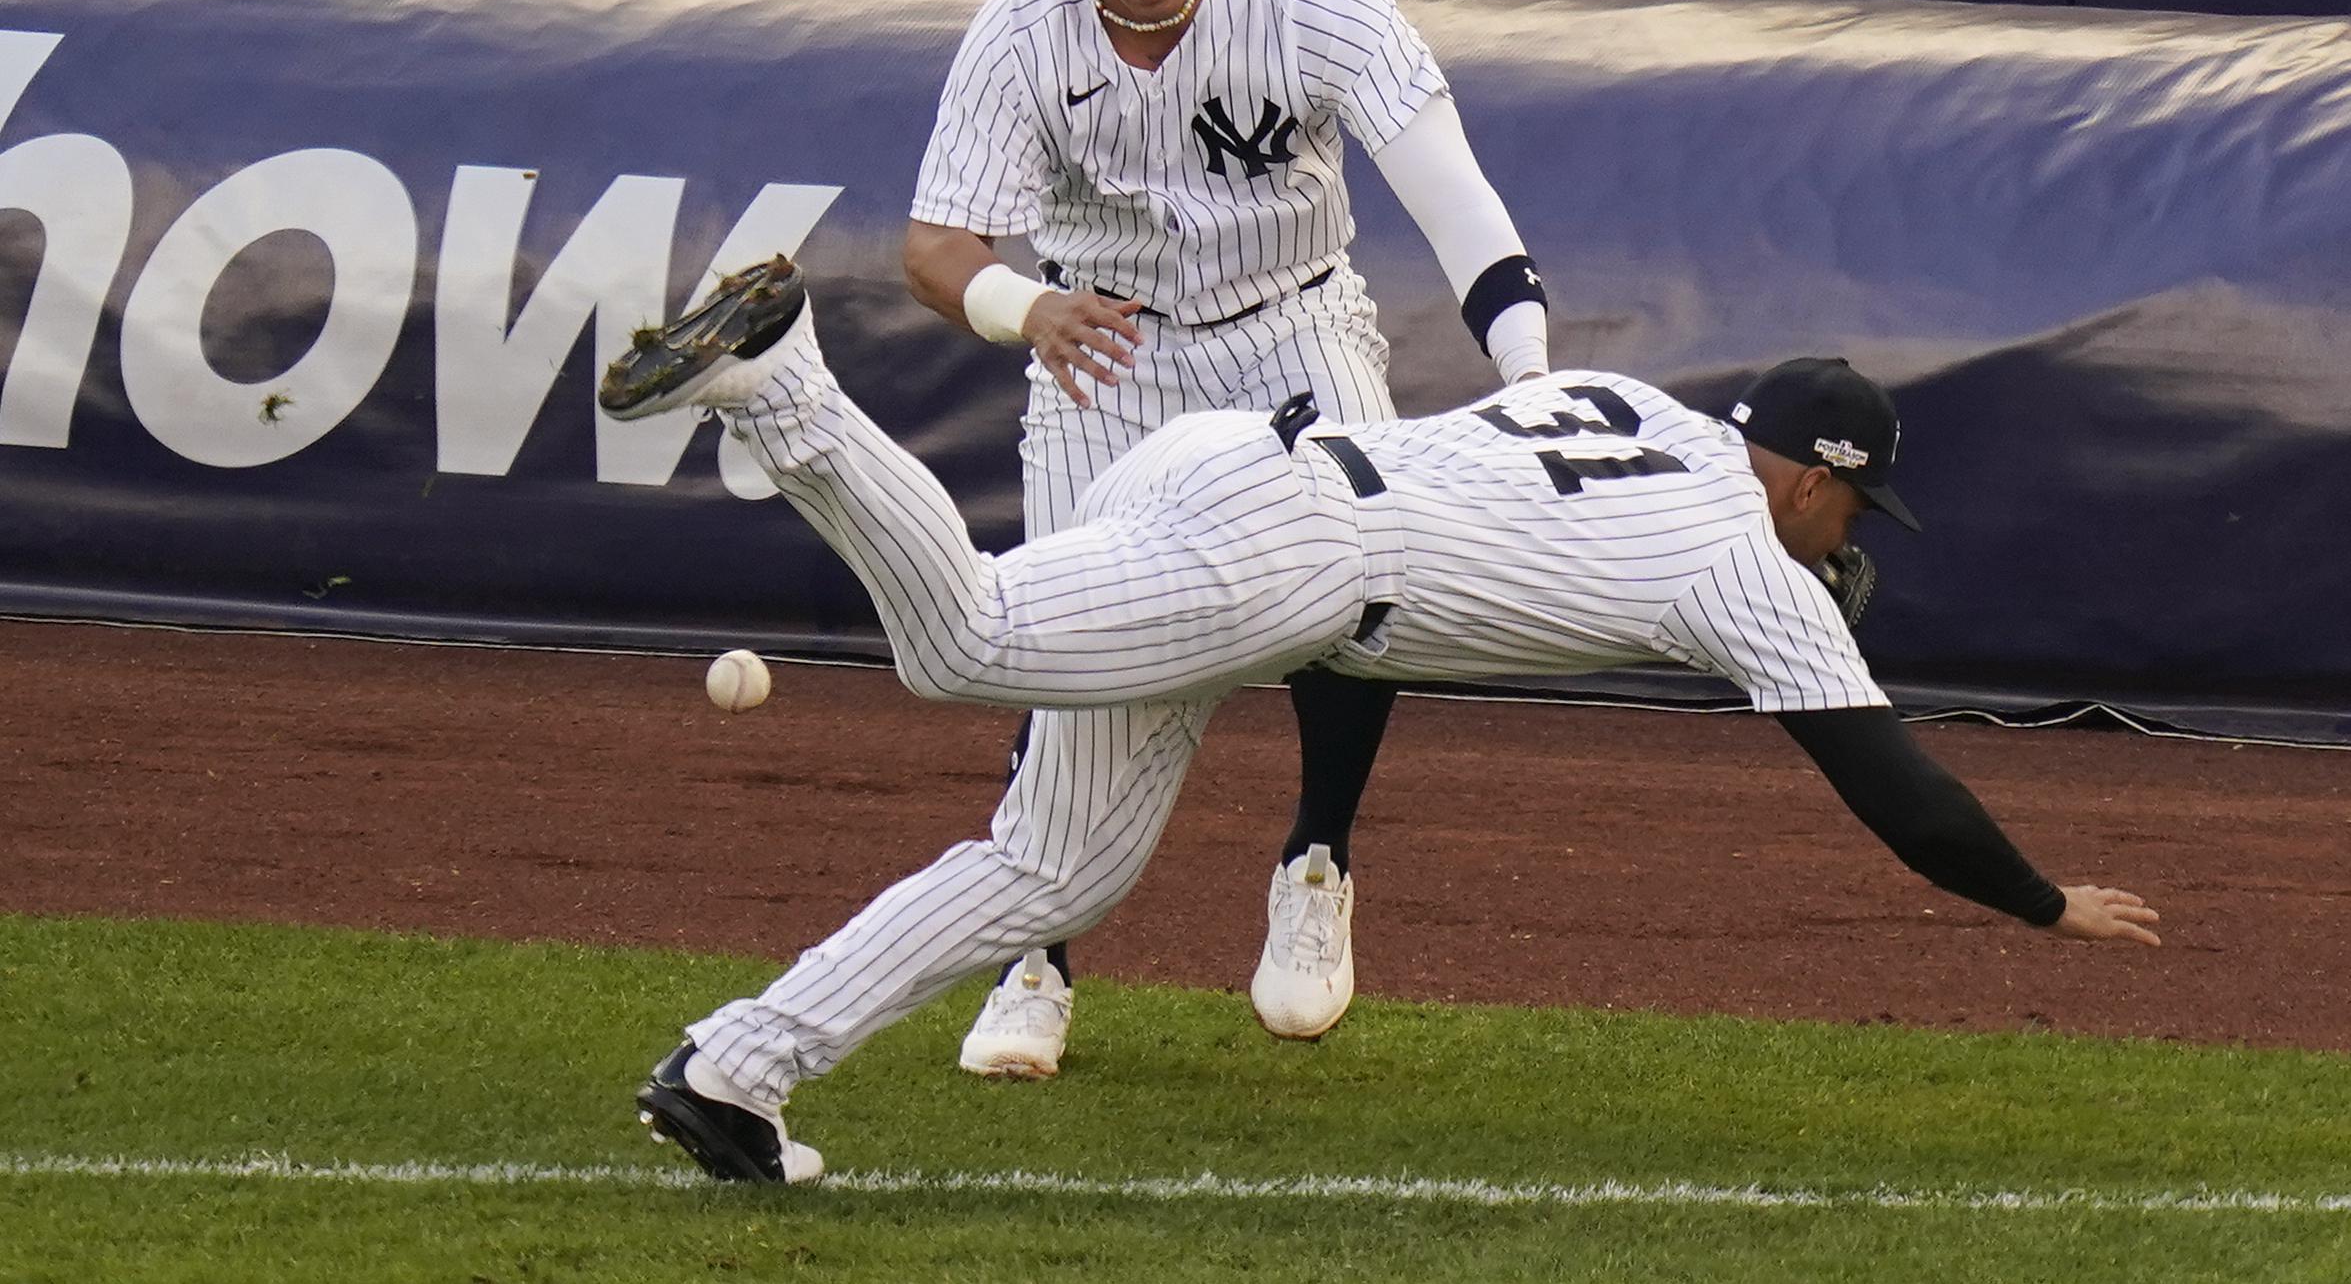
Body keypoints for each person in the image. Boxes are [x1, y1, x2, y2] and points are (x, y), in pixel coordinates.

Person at [599, 255, 2164, 1185]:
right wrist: (2038, 898)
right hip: (1293, 558)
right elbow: (1891, 785)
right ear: (1813, 478)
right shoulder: (1744, 563)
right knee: (966, 642)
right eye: (1849, 507)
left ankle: (734, 1069)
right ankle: (787, 380)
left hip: (1233, 462)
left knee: (1053, 865)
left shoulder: (1635, 398)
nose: (1846, 535)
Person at [899, 0, 1554, 1080]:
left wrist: (1527, 376)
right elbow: (931, 243)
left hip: (1290, 327)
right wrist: (1022, 307)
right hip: (1102, 348)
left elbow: (1455, 202)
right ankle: (1038, 951)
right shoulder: (1024, 32)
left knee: (1363, 592)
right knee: (1059, 651)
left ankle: (1315, 859)